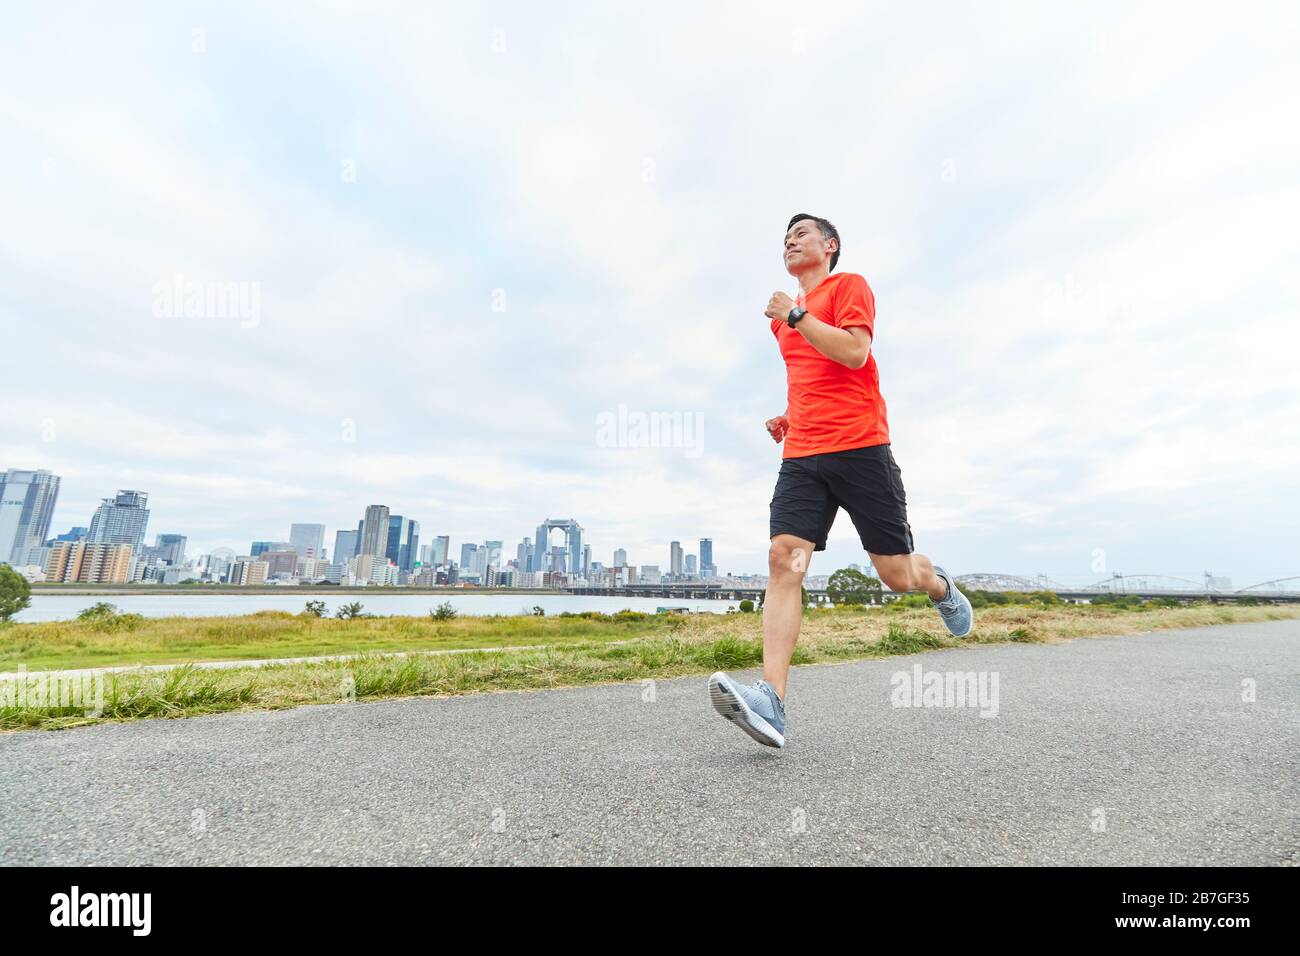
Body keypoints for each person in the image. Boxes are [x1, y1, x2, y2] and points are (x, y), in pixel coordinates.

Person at [709, 213, 973, 749]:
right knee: (786, 558)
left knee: (896, 576)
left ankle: (938, 585)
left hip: (861, 449)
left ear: (829, 246)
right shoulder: (781, 320)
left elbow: (853, 352)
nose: (790, 241)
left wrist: (798, 312)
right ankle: (771, 702)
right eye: (785, 237)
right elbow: (813, 373)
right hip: (804, 454)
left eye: (801, 233)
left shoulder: (846, 288)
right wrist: (788, 414)